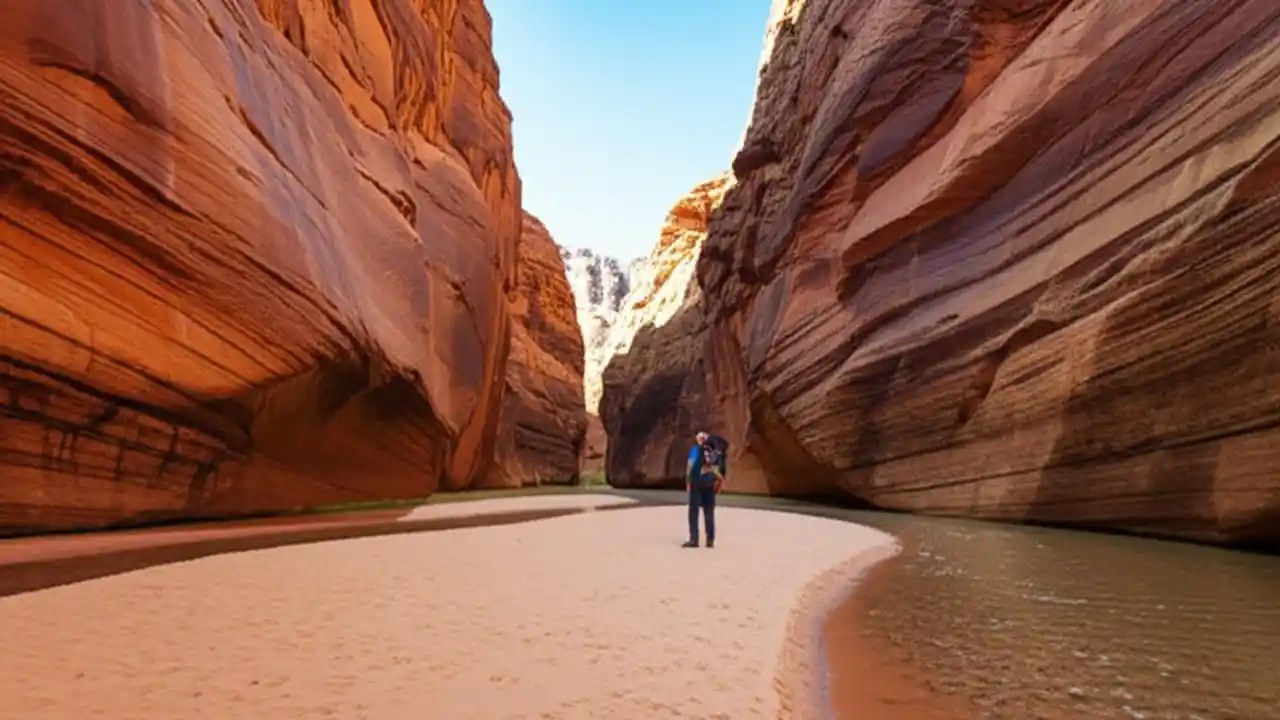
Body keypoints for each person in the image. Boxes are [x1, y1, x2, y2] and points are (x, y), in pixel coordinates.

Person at [683, 431, 728, 548]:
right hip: (710, 483)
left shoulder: (696, 450)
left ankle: (694, 539)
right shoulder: (717, 451)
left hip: (697, 482)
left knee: (694, 511)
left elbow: (690, 465)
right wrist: (719, 484)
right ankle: (710, 540)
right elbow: (721, 470)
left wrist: (688, 481)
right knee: (709, 511)